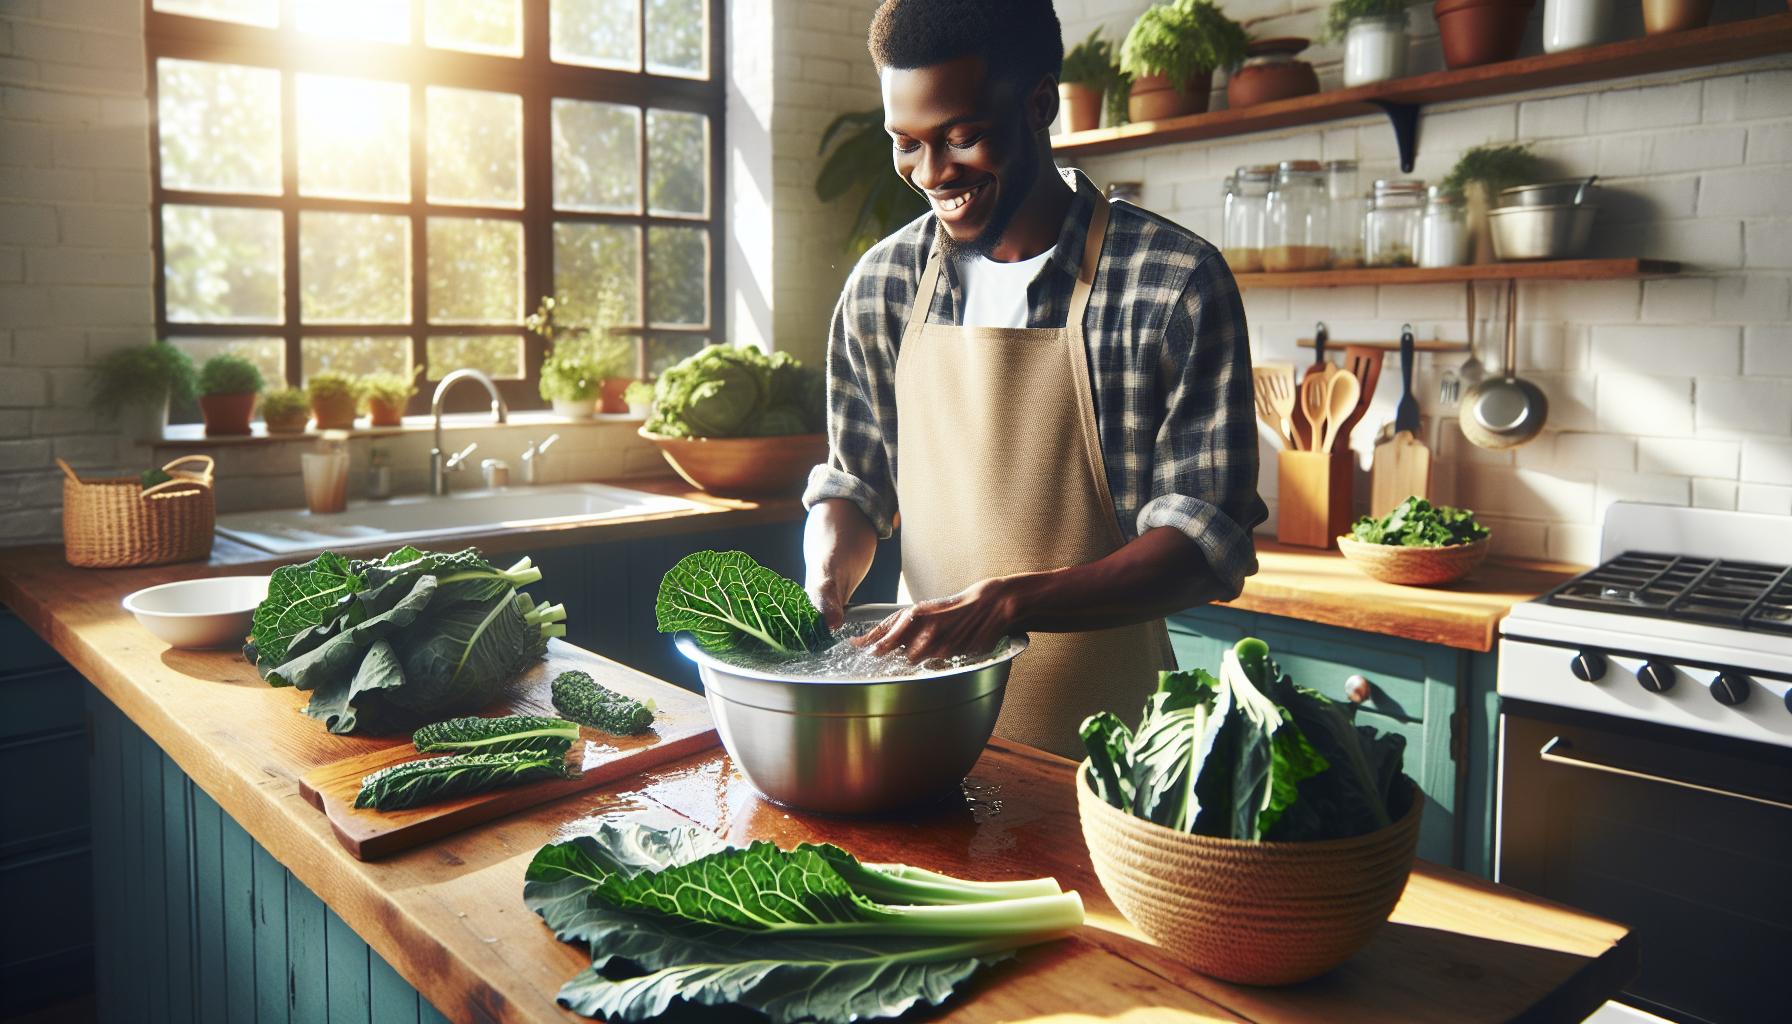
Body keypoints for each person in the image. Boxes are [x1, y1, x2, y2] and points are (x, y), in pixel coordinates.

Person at [801, 0, 1266, 758]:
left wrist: (1008, 602)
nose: (932, 174)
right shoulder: (884, 283)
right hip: (925, 737)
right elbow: (856, 487)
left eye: (962, 137)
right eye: (907, 143)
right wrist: (826, 575)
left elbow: (1201, 543)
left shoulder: (1174, 282)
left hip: (1112, 748)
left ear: (1040, 104)